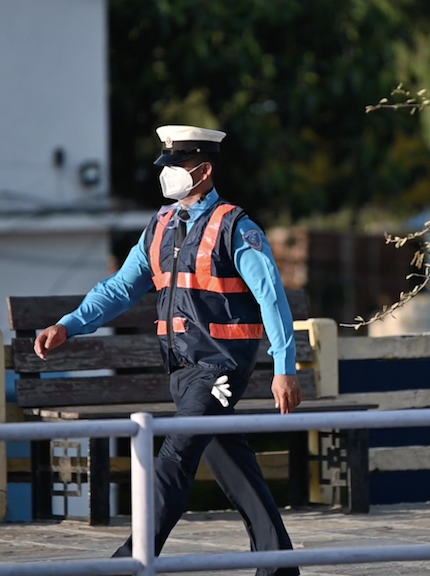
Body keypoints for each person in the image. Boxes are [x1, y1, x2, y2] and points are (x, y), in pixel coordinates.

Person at [33, 125, 301, 576]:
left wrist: (284, 367)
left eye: (178, 165)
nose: (167, 173)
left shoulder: (236, 227)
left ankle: (126, 565)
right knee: (232, 464)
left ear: (204, 170)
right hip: (181, 370)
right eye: (167, 164)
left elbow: (271, 296)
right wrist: (69, 324)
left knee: (174, 458)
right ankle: (280, 566)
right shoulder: (160, 227)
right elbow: (120, 288)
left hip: (220, 368)